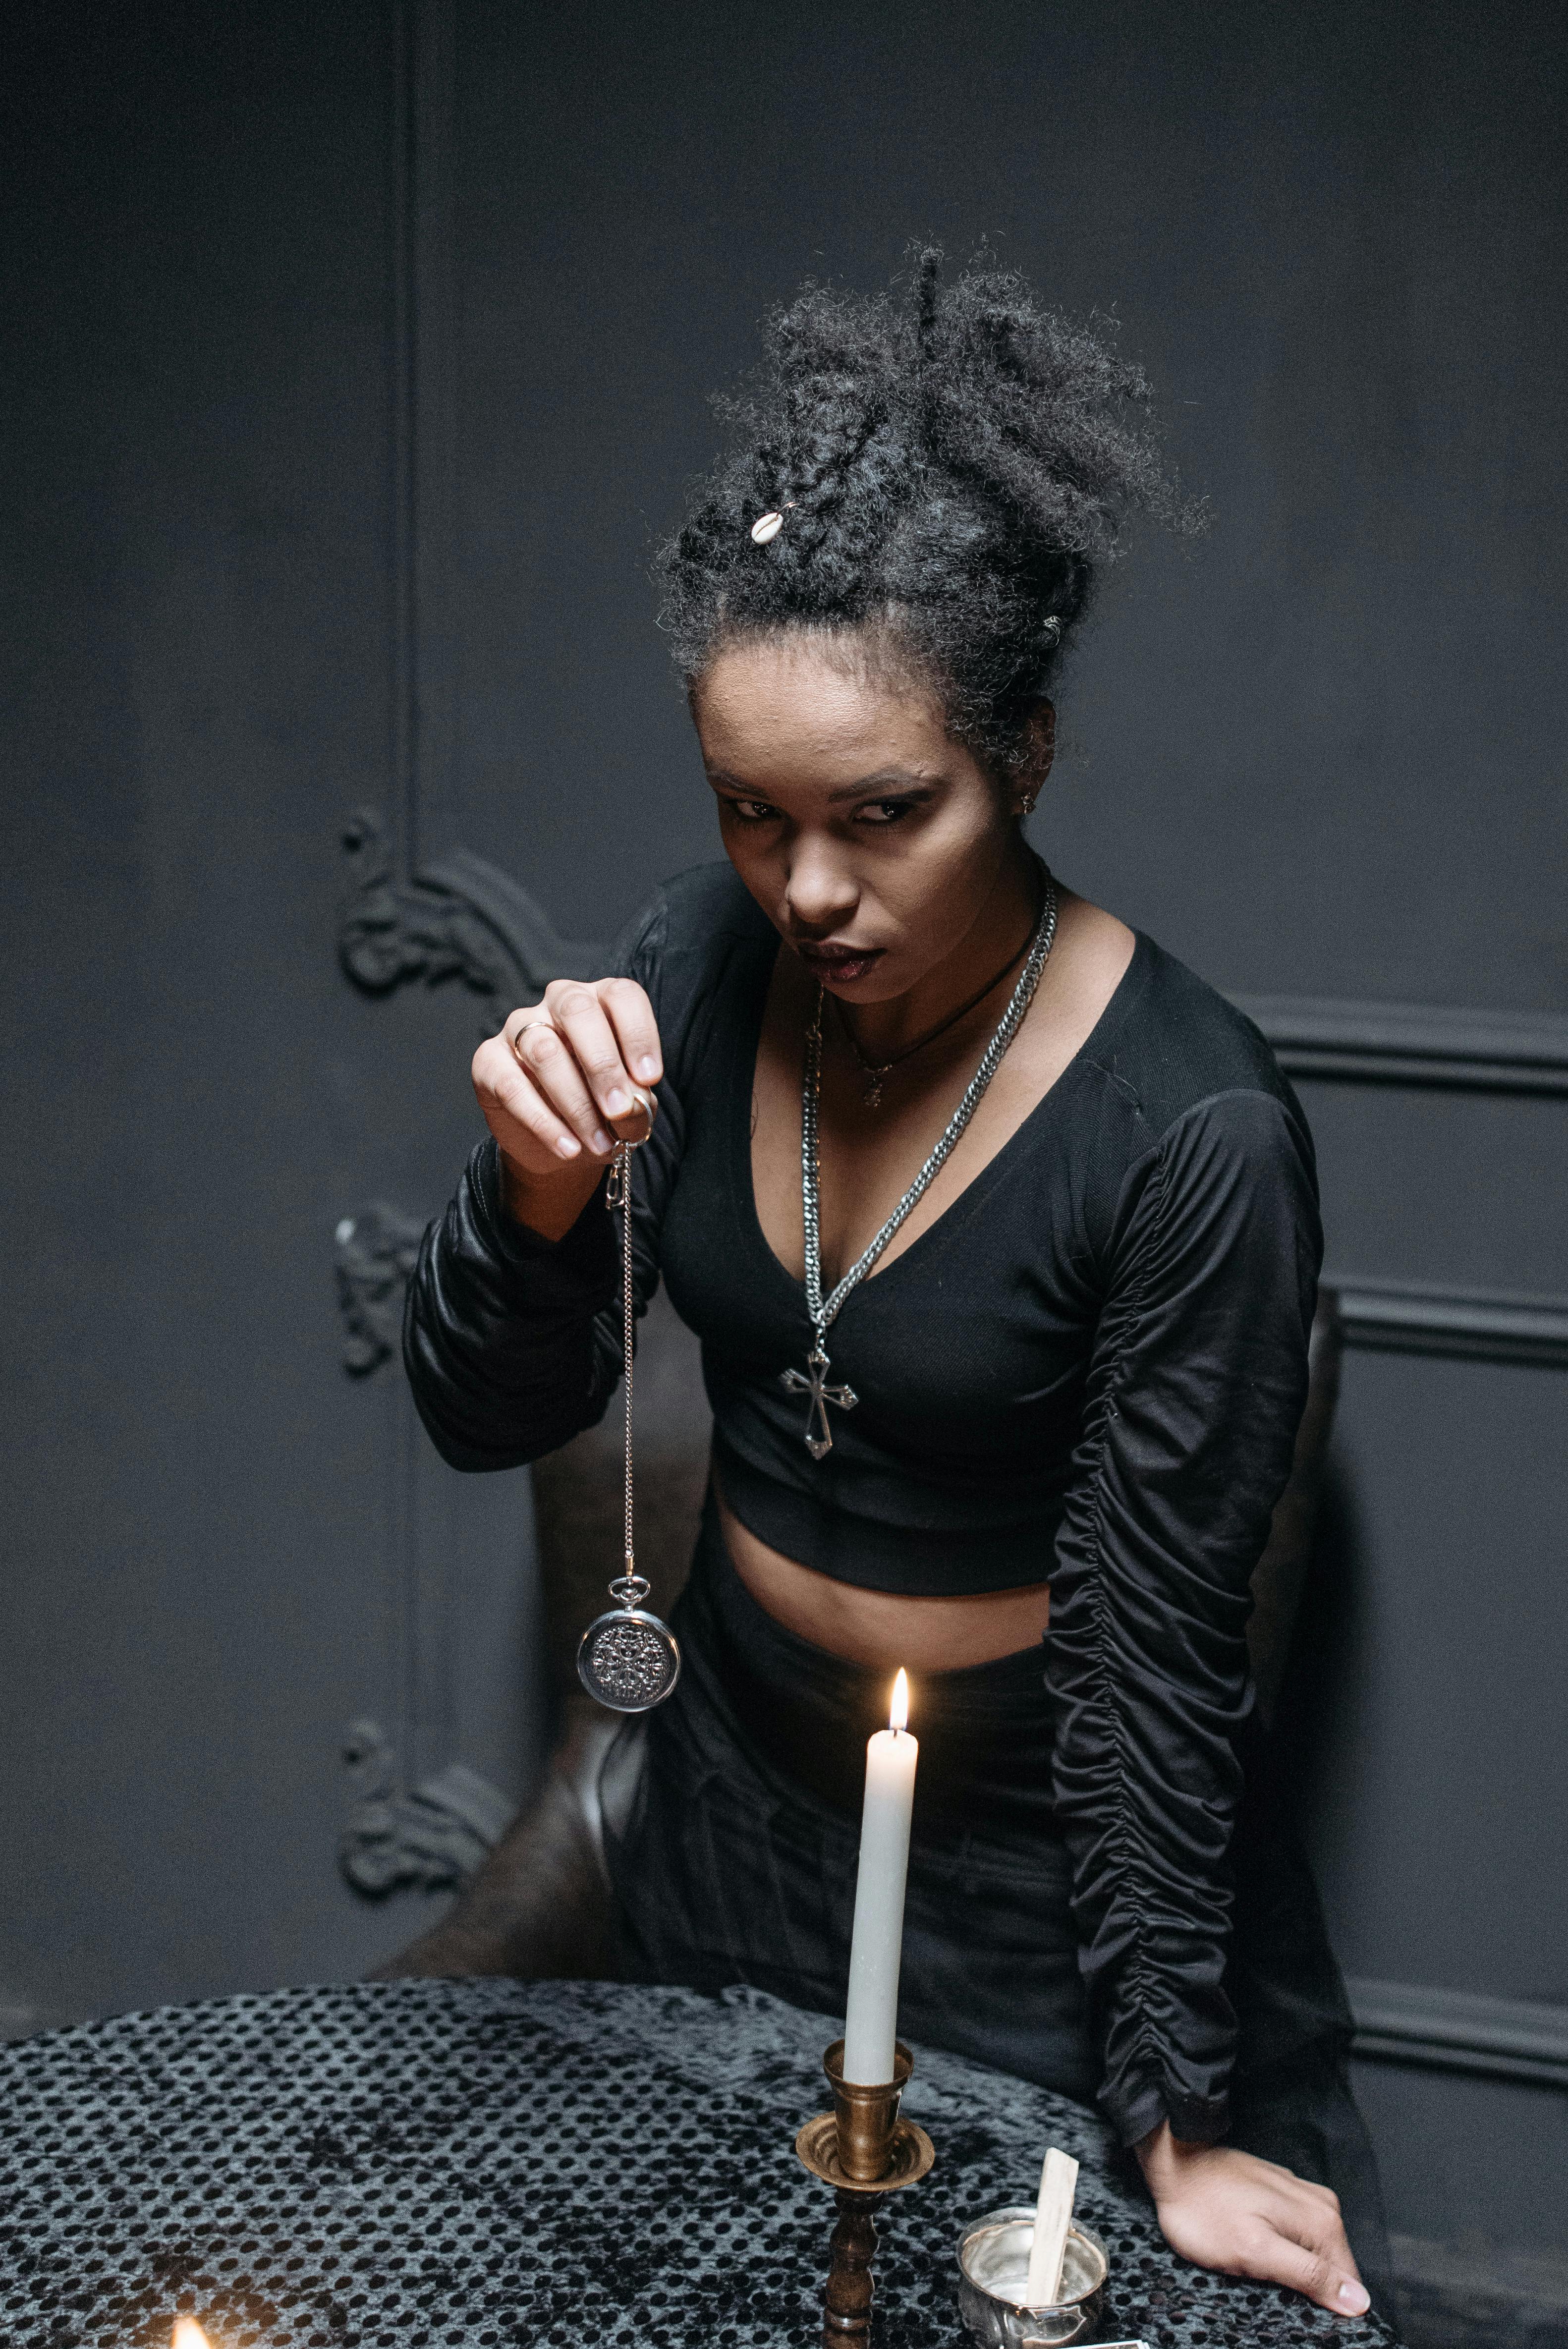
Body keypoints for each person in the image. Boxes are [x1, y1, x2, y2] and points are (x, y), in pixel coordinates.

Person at [399, 251, 1387, 2318]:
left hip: (1037, 1874)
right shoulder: (693, 959)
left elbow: (1156, 1672)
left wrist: (1173, 2114)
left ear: (1024, 755)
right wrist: (531, 1193)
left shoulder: (1188, 1129)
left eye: (882, 814)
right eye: (748, 817)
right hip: (730, 1799)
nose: (808, 889)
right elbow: (484, 1412)